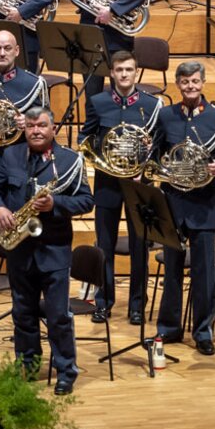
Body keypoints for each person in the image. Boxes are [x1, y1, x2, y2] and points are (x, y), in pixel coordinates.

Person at [0, 105, 92, 394]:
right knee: (22, 313)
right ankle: (29, 366)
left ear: (53, 128)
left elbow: (86, 201)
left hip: (54, 250)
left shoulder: (70, 161)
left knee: (58, 316)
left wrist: (56, 205)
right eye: (31, 126)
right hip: (19, 249)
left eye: (42, 125)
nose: (35, 130)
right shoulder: (10, 155)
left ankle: (65, 372)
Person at [154, 60, 215, 355]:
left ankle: (203, 332)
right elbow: (155, 152)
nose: (190, 86)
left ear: (203, 83)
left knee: (204, 273)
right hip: (172, 203)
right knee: (172, 270)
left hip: (203, 204)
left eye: (195, 82)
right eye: (185, 82)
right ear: (178, 84)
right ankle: (168, 328)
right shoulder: (165, 115)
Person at [81, 50, 163, 324]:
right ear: (112, 73)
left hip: (139, 184)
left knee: (140, 244)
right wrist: (98, 157)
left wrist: (147, 164)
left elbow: (160, 146)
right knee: (105, 244)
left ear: (135, 71)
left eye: (129, 69)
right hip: (107, 183)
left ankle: (137, 305)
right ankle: (103, 301)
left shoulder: (152, 105)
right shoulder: (98, 101)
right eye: (119, 70)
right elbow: (86, 137)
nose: (124, 74)